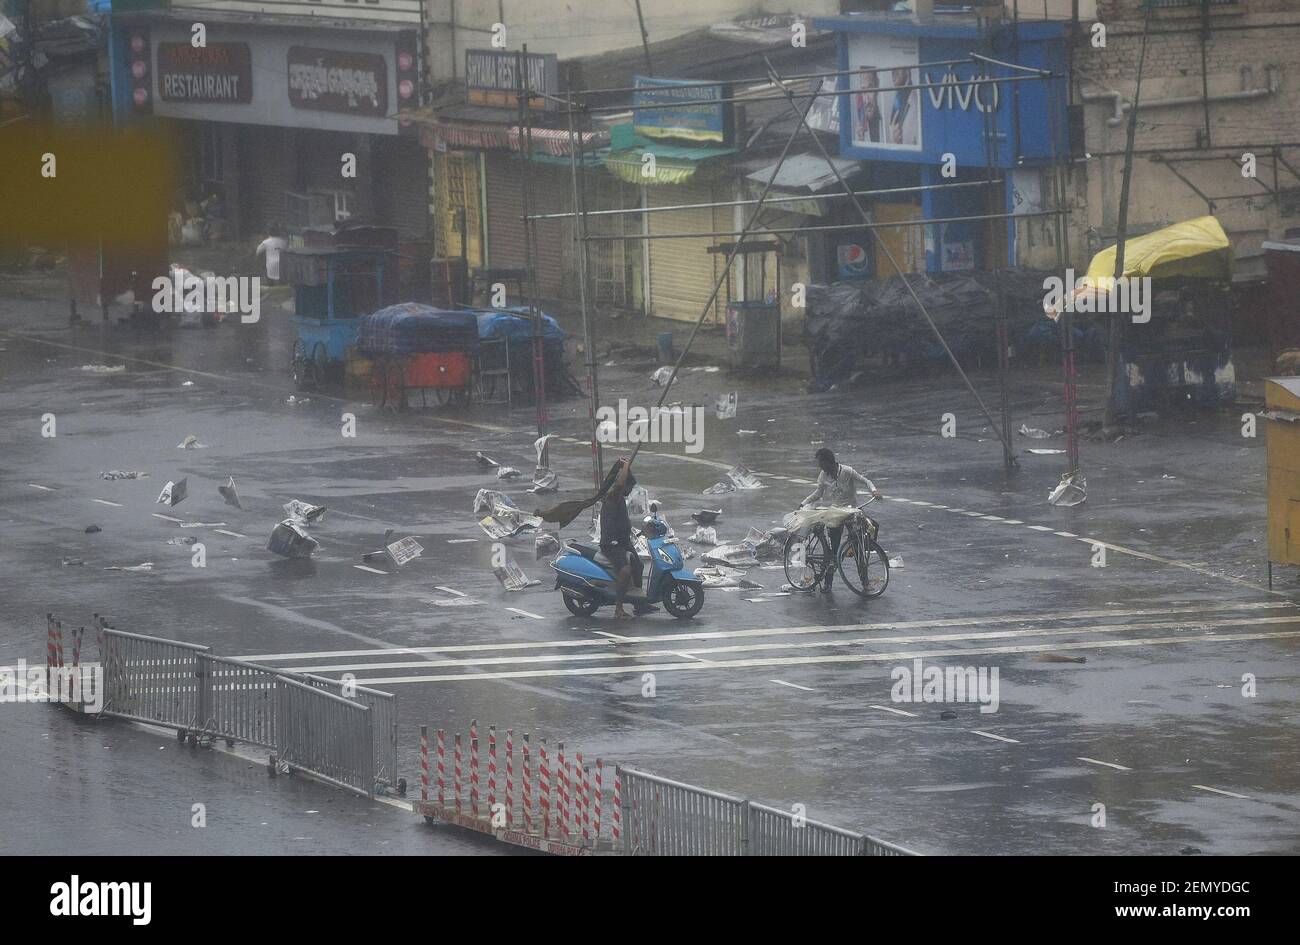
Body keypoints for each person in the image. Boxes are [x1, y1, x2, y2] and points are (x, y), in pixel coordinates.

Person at [801, 447, 882, 592]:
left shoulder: (847, 471)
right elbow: (818, 493)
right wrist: (804, 502)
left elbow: (865, 481)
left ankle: (865, 582)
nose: (820, 466)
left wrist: (874, 490)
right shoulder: (823, 476)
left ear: (828, 462)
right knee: (833, 551)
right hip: (836, 513)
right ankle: (828, 583)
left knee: (859, 549)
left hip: (851, 511)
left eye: (821, 463)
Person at [599, 458, 646, 618]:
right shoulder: (612, 496)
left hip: (623, 541)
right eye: (628, 487)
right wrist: (625, 466)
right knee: (626, 570)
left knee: (639, 566)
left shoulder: (619, 498)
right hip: (612, 544)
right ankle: (618, 608)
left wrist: (623, 466)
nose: (628, 491)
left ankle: (639, 605)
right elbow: (619, 485)